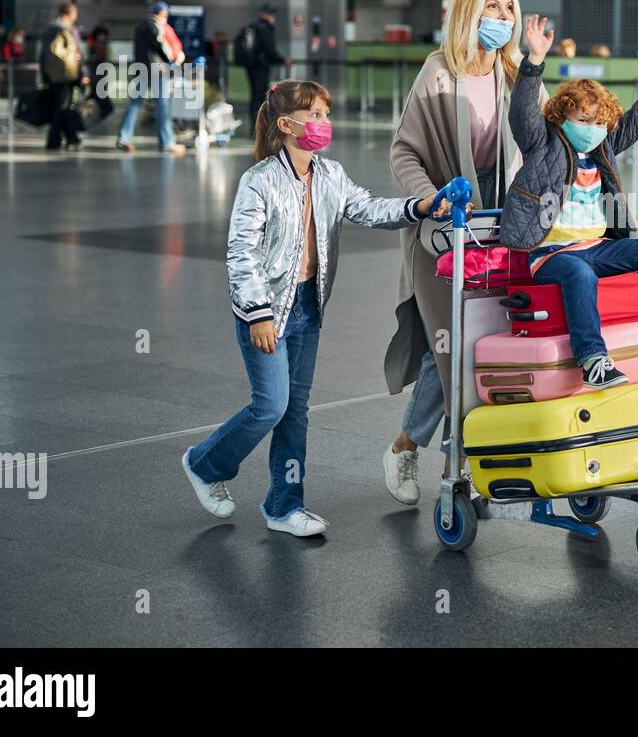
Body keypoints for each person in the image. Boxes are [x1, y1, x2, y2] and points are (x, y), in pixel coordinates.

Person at [181, 79, 459, 537]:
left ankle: (284, 505)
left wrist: (423, 205)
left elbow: (369, 208)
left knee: (295, 411)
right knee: (270, 405)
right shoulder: (260, 181)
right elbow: (240, 253)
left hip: (307, 308)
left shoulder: (330, 176)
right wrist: (258, 314)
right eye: (315, 115)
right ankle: (205, 463)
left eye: (327, 115)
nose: (324, 124)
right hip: (267, 312)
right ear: (286, 124)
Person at [381, 0, 544, 506]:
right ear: (467, 10)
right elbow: (403, 150)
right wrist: (430, 198)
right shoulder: (438, 73)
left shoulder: (516, 75)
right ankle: (443, 460)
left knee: (475, 344)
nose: (500, 17)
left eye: (507, 8)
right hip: (440, 233)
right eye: (491, 7)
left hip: (497, 230)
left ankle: (432, 452)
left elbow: (544, 144)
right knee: (448, 342)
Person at [501, 15, 638, 390]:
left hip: (598, 248)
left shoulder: (602, 148)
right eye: (583, 119)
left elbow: (637, 120)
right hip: (553, 254)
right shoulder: (544, 144)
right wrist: (535, 60)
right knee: (579, 274)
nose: (592, 128)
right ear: (562, 116)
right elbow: (522, 112)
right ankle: (593, 360)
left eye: (599, 121)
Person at [117, 1, 185, 154]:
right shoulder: (154, 25)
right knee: (163, 107)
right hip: (157, 70)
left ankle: (124, 137)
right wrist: (172, 59)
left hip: (142, 69)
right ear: (163, 13)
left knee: (135, 104)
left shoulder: (140, 25)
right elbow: (160, 45)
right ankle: (167, 142)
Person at [38, 2, 89, 151]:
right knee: (62, 106)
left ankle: (71, 137)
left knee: (61, 104)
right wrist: (83, 73)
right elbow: (78, 54)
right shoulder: (69, 30)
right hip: (68, 74)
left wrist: (44, 73)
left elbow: (43, 54)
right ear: (70, 14)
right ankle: (54, 140)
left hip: (52, 74)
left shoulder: (48, 29)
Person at [241, 4, 290, 129]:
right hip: (261, 67)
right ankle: (259, 127)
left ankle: (254, 126)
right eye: (271, 14)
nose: (273, 17)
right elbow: (270, 50)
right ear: (266, 14)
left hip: (250, 66)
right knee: (260, 97)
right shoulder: (265, 29)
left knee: (254, 96)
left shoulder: (253, 27)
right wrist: (282, 60)